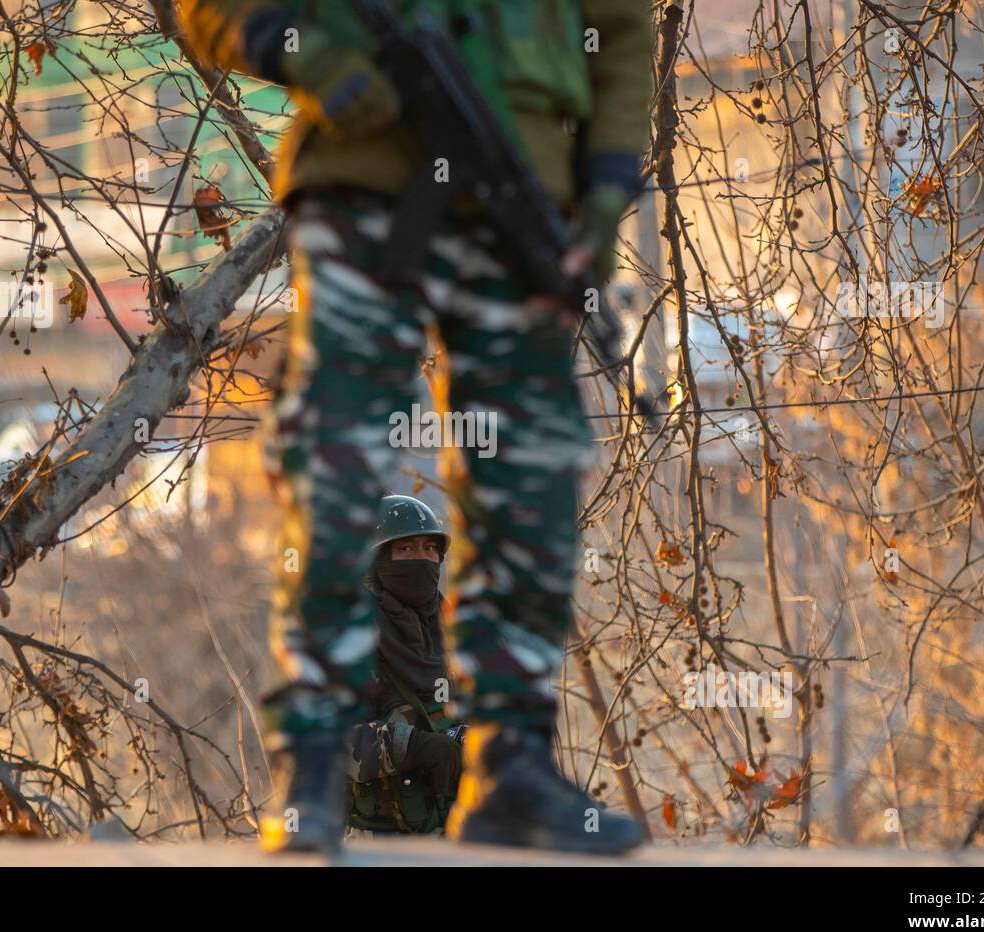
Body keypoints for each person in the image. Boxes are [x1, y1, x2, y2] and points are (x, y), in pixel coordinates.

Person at [178, 0, 651, 855]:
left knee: (534, 475)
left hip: (523, 187)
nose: (417, 565)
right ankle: (317, 764)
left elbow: (618, 28)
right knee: (339, 454)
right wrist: (311, 55)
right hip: (365, 176)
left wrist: (608, 183)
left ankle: (510, 764)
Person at [345, 495, 463, 835]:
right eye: (406, 550)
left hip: (456, 833)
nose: (422, 559)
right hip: (376, 838)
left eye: (430, 548)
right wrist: (410, 746)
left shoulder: (457, 631)